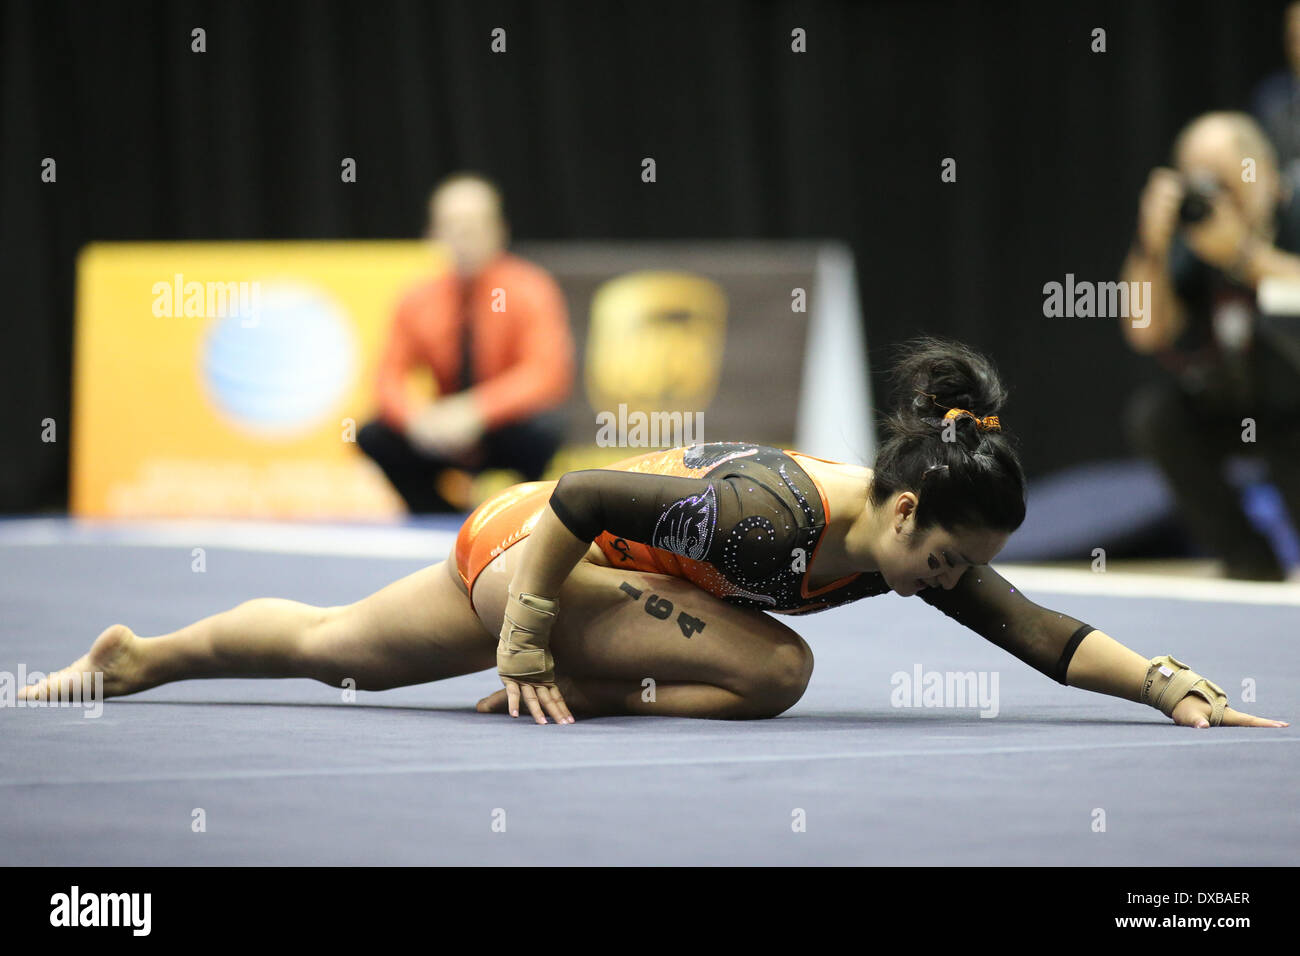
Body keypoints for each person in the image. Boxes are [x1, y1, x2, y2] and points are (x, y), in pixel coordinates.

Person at [22, 340, 1287, 730]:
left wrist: (1173, 688)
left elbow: (1039, 632)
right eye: (949, 558)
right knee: (778, 670)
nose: (951, 585)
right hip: (550, 550)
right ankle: (560, 670)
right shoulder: (779, 510)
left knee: (329, 646)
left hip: (551, 560)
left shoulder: (904, 543)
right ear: (905, 511)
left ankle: (146, 657)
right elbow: (580, 490)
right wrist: (524, 645)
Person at [1121, 112, 1300, 580]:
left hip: (1295, 411)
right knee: (1158, 418)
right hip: (1237, 406)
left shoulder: (1295, 213)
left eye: (1227, 180)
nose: (1215, 197)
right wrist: (1151, 246)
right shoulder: (1196, 239)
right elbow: (1145, 330)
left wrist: (1244, 256)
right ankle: (1249, 561)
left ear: (1267, 175)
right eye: (1199, 184)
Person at [358, 173, 575, 513]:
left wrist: (477, 410)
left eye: (474, 227)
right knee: (372, 435)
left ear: (499, 230)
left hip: (501, 431)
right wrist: (415, 418)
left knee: (544, 430)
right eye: (453, 227)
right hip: (439, 432)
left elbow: (547, 374)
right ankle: (436, 515)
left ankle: (523, 514)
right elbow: (387, 377)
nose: (464, 238)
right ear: (433, 234)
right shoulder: (417, 298)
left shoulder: (530, 288)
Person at [1250, 1, 1300, 185]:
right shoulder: (1268, 98)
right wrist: (1255, 184)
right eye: (1294, 37)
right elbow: (1248, 155)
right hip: (1283, 201)